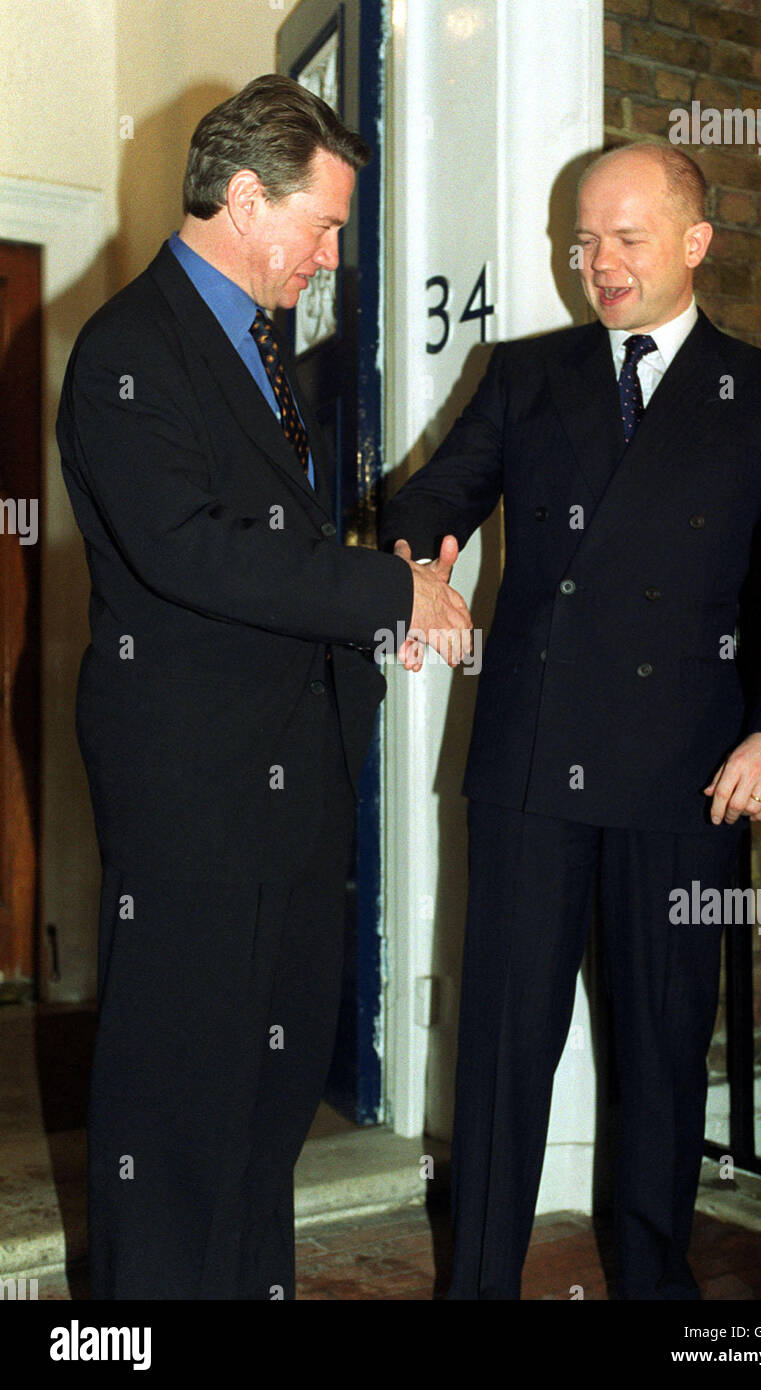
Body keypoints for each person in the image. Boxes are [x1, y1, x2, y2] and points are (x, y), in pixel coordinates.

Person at [380, 141, 761, 1300]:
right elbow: (433, 492)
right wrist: (416, 564)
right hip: (533, 766)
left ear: (696, 242)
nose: (597, 264)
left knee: (659, 1051)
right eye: (583, 241)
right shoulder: (526, 374)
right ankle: (476, 1288)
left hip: (689, 776)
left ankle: (654, 1285)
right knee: (499, 1050)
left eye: (626, 239)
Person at [56, 73, 471, 1300]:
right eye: (325, 225)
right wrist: (390, 596)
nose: (333, 256)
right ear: (245, 198)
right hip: (195, 792)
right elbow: (188, 549)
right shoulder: (133, 348)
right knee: (174, 1118)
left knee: (259, 1112)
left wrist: (367, 620)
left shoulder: (255, 347)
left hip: (284, 786)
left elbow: (274, 566)